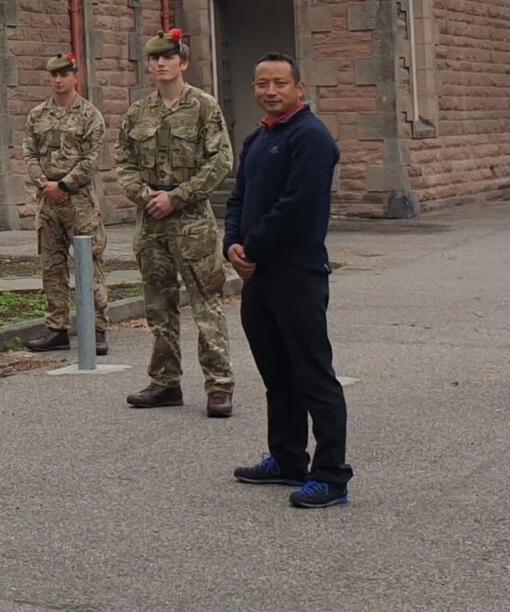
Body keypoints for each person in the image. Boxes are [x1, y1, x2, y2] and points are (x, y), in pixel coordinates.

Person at [225, 52, 352, 509]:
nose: (271, 91)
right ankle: (287, 457)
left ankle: (332, 474)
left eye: (280, 83)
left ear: (300, 88)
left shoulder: (312, 138)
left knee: (313, 375)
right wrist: (233, 245)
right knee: (277, 374)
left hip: (297, 275)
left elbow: (297, 208)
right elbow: (237, 198)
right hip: (258, 277)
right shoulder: (258, 138)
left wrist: (252, 249)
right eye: (262, 84)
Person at [116, 28, 236, 417]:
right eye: (155, 58)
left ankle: (219, 385)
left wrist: (178, 196)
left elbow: (220, 161)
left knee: (206, 304)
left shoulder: (204, 107)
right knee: (159, 304)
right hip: (151, 219)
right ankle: (165, 381)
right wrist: (146, 195)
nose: (161, 64)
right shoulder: (138, 112)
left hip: (192, 219)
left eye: (168, 57)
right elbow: (124, 163)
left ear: (183, 62)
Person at [22, 52, 110, 354]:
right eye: (54, 75)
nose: (58, 81)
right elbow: (29, 154)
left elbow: (91, 159)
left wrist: (63, 184)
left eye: (64, 75)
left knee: (89, 265)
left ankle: (96, 328)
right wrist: (44, 184)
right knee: (52, 266)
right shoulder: (37, 115)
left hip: (79, 202)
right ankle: (56, 328)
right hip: (48, 202)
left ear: (76, 77)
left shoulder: (89, 115)